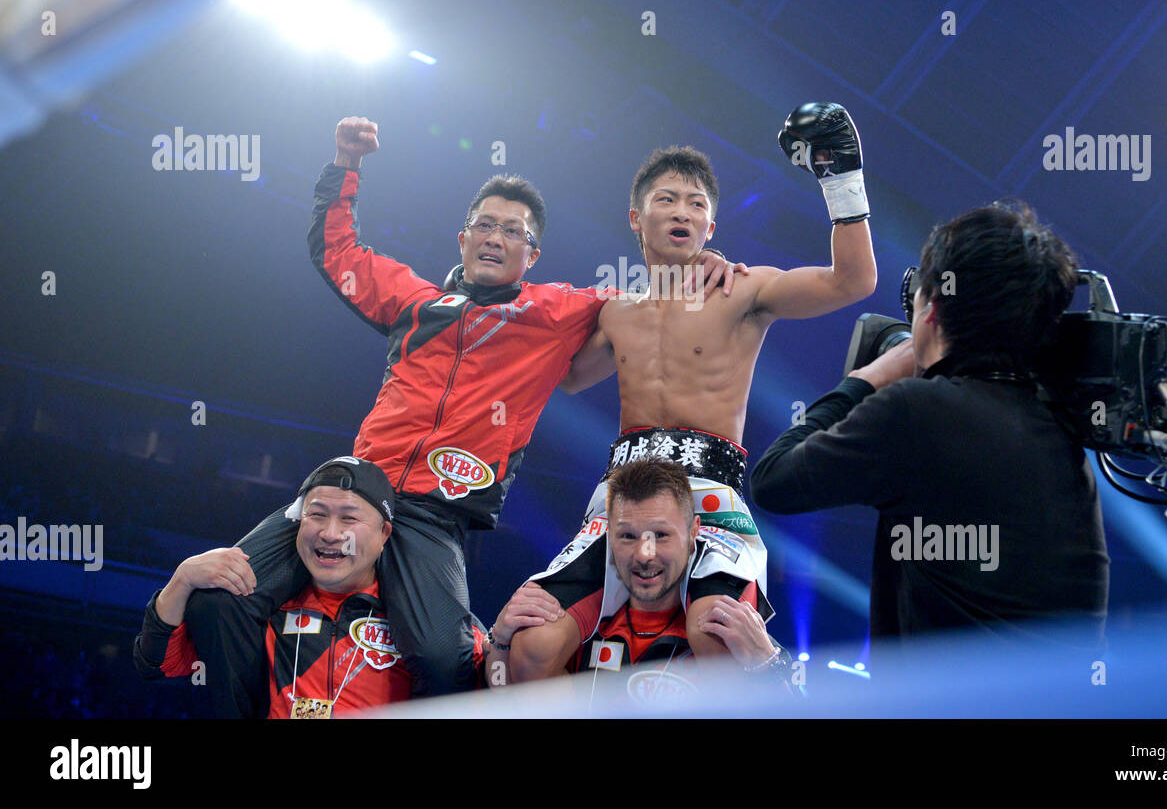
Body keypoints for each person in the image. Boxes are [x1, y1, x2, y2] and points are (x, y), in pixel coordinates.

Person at [183, 117, 738, 716]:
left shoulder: (558, 310)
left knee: (446, 659)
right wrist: (345, 164)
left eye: (513, 231)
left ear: (533, 253)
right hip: (351, 495)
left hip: (432, 515)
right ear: (464, 237)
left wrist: (698, 262)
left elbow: (647, 298)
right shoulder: (415, 301)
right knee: (217, 597)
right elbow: (336, 252)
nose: (496, 238)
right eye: (485, 226)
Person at [511, 103, 878, 679]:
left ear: (711, 228)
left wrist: (841, 179)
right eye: (667, 199)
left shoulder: (741, 288)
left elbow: (851, 281)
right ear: (636, 218)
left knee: (720, 637)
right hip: (622, 497)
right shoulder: (614, 312)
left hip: (710, 494)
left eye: (697, 204)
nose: (682, 212)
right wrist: (492, 296)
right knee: (531, 646)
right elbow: (561, 379)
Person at [749, 201, 1109, 664]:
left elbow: (774, 480)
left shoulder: (917, 411)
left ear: (932, 310)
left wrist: (869, 377)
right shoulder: (1059, 420)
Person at [134, 457, 440, 718]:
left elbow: (480, 686)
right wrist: (182, 578)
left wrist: (492, 642)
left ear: (384, 532)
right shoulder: (261, 609)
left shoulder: (419, 621)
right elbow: (160, 664)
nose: (331, 533)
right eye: (317, 515)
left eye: (349, 518)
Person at [496, 459, 793, 692]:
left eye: (661, 535)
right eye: (628, 536)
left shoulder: (735, 634)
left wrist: (767, 664)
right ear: (609, 537)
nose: (644, 554)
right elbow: (503, 702)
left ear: (693, 534)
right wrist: (497, 644)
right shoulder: (573, 635)